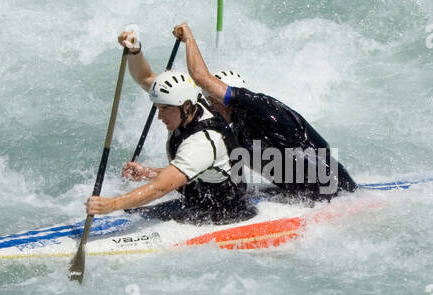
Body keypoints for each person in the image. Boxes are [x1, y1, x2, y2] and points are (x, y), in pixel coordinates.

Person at [85, 29, 254, 224]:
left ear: (186, 107)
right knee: (132, 212)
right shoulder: (186, 100)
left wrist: (112, 204)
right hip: (198, 194)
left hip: (223, 213)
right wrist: (135, 51)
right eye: (158, 107)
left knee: (129, 208)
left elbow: (160, 188)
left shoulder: (203, 143)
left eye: (165, 109)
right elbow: (144, 77)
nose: (159, 116)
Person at [174, 23, 357, 201]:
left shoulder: (262, 108)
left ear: (229, 101)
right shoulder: (233, 128)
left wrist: (189, 38)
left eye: (212, 101)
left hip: (338, 194)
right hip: (300, 196)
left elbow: (201, 77)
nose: (209, 107)